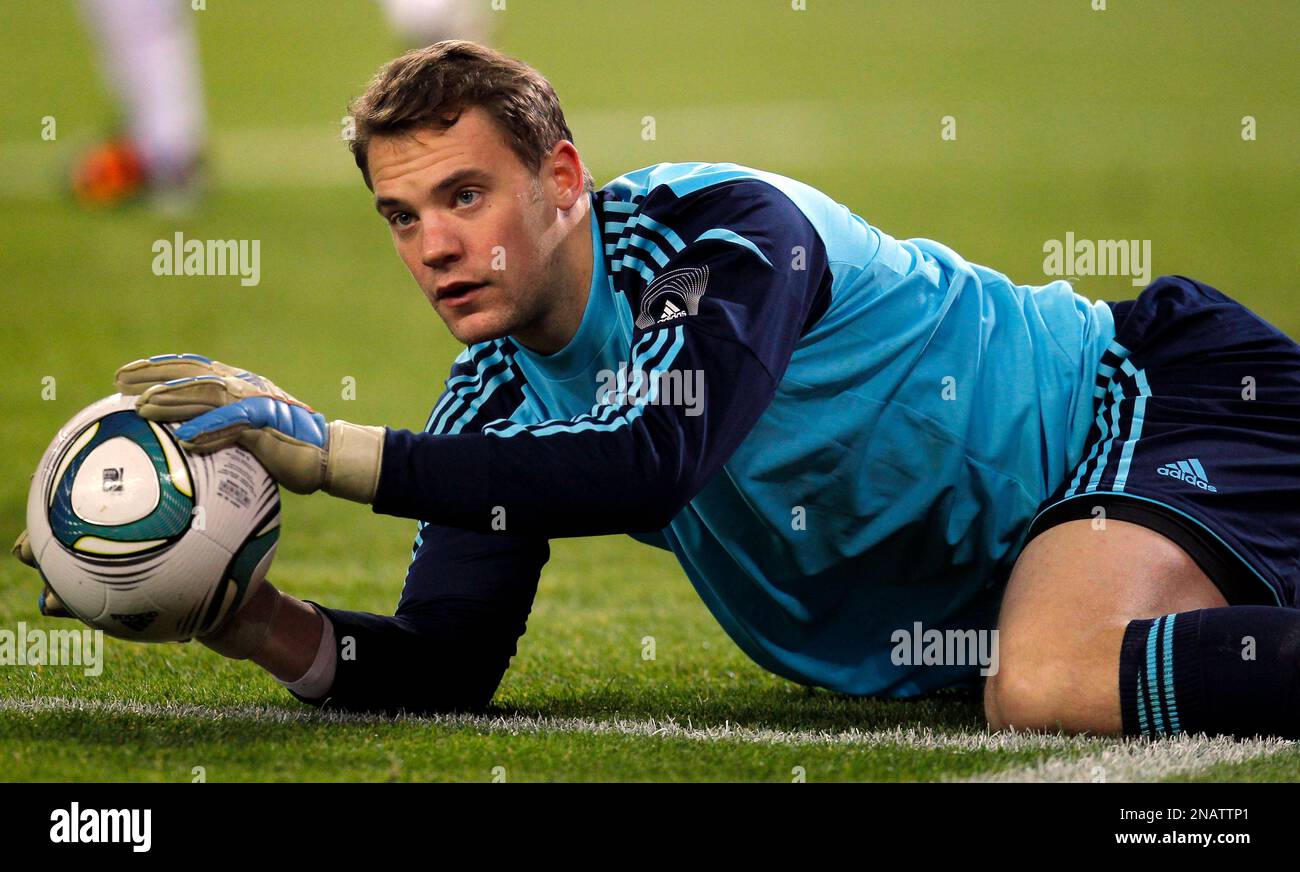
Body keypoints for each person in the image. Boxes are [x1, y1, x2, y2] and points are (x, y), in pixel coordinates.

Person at [19, 40, 1300, 739]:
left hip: (1152, 405)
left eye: (464, 195)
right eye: (401, 216)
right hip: (1049, 532)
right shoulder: (496, 397)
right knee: (1037, 666)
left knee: (1046, 679)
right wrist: (250, 618)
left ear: (562, 177)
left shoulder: (724, 234)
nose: (434, 247)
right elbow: (446, 666)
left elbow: (652, 455)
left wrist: (333, 449)